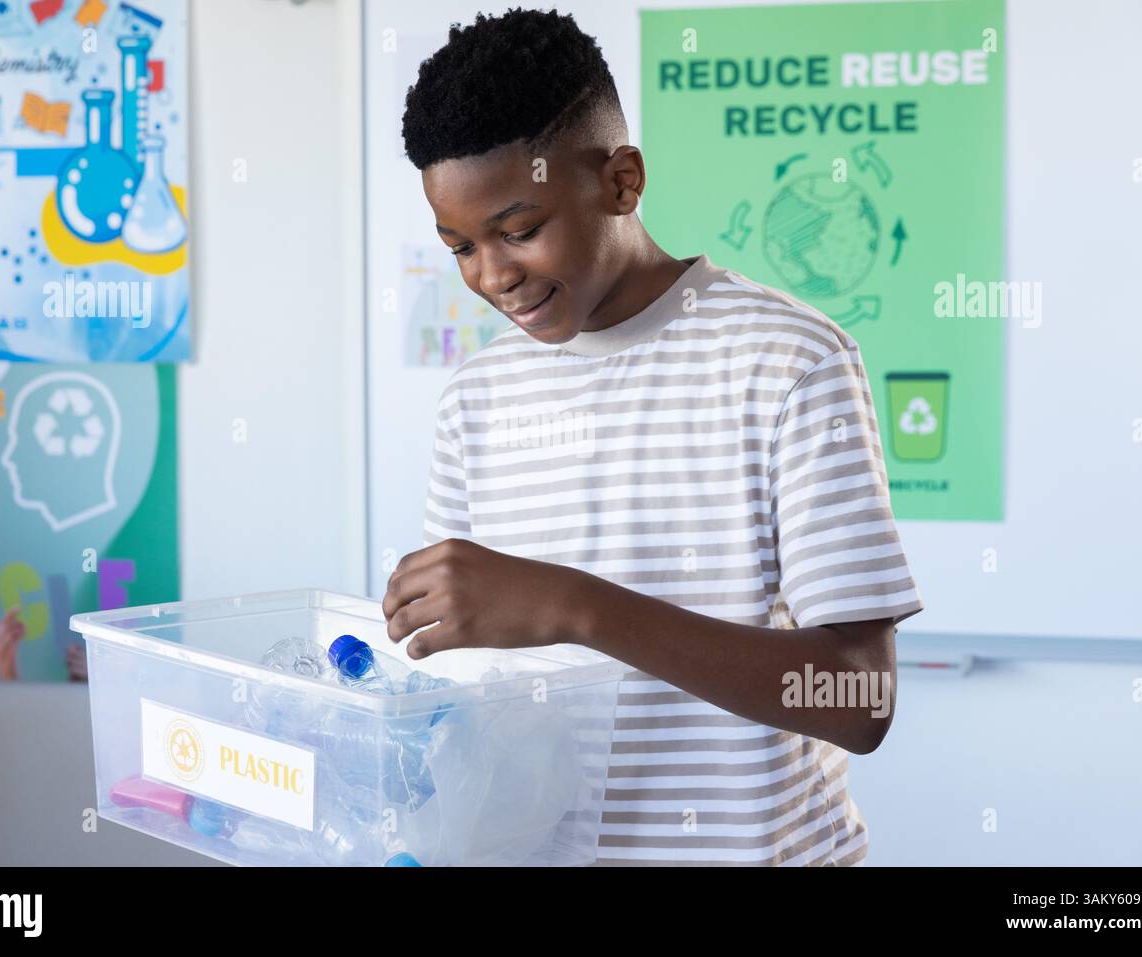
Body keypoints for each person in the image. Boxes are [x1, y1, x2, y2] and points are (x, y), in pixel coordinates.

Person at [384, 8, 924, 866]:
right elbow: (472, 692)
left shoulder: (789, 362)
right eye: (461, 247)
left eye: (520, 229)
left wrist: (575, 606)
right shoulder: (475, 399)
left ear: (623, 181)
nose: (492, 275)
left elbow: (858, 699)